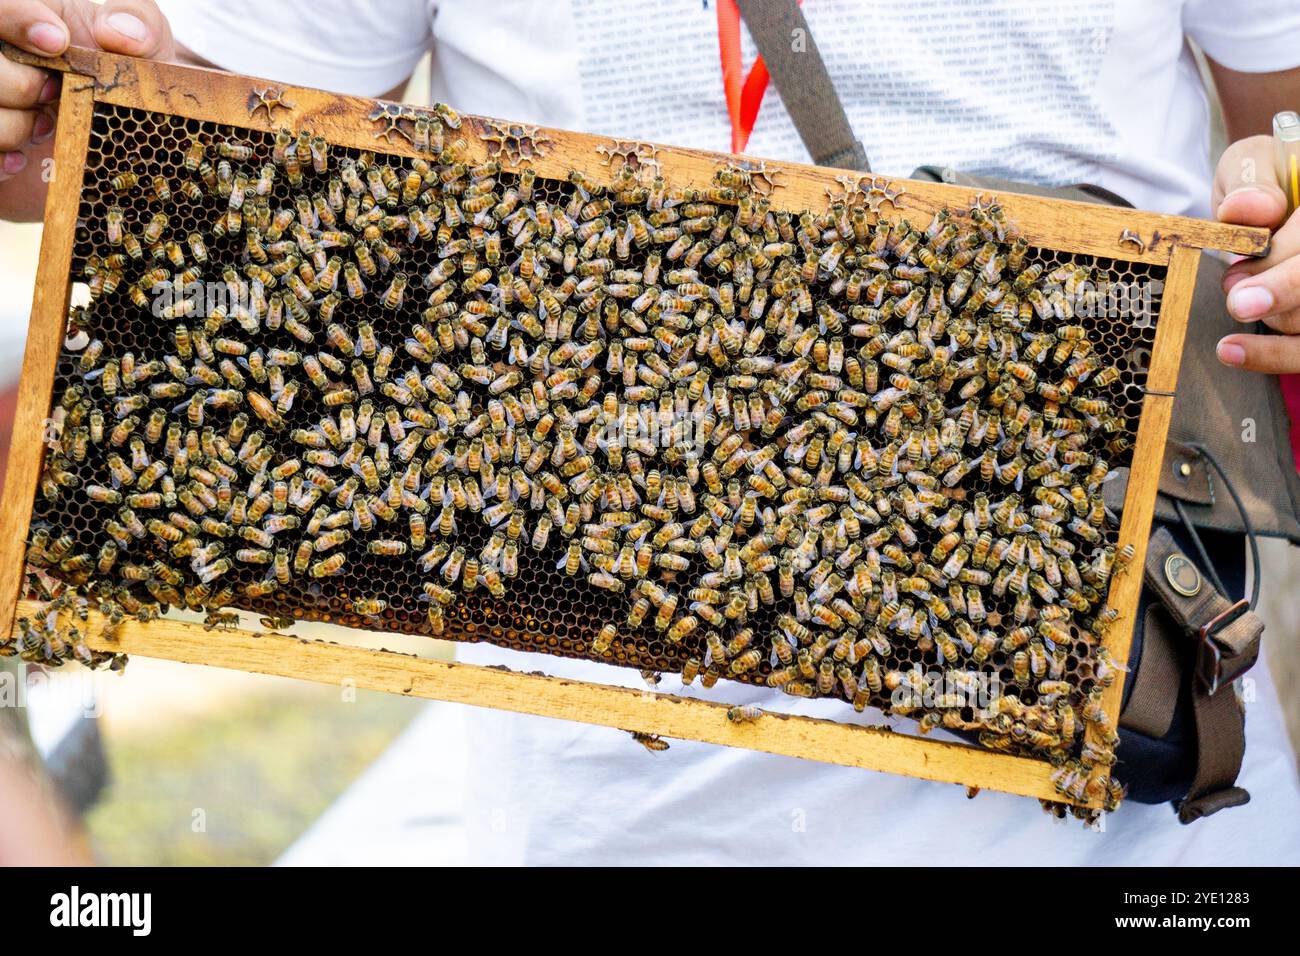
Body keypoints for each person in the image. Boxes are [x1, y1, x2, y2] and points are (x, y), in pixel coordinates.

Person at [1, 0, 1297, 865]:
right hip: (626, 791)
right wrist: (41, 106)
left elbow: (1281, 109)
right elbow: (170, 139)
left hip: (1138, 776)